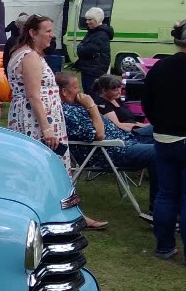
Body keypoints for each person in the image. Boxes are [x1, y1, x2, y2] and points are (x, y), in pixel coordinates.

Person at [7, 14, 107, 230]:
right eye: (48, 31)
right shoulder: (29, 57)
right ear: (33, 33)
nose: (52, 35)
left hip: (33, 117)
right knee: (50, 169)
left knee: (40, 170)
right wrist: (46, 128)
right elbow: (33, 95)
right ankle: (66, 215)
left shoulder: (24, 54)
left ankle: (64, 213)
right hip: (36, 121)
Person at [141, 16, 186, 267]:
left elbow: (147, 103)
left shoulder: (159, 67)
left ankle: (165, 247)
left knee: (166, 195)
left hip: (163, 139)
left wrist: (160, 123)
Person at [56, 68, 156, 221]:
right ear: (64, 91)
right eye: (76, 87)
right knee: (160, 152)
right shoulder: (68, 112)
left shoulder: (76, 105)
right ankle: (157, 208)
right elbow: (100, 135)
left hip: (126, 140)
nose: (80, 91)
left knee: (164, 134)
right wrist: (92, 107)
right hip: (111, 151)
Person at [76, 6, 115, 95]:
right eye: (87, 19)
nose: (87, 22)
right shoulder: (93, 32)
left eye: (90, 19)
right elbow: (83, 48)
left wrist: (80, 48)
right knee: (89, 93)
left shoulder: (101, 34)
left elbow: (85, 51)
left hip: (94, 70)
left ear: (97, 20)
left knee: (92, 95)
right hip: (89, 68)